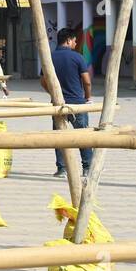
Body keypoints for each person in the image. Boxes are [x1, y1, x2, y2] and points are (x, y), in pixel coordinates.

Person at [45, 27, 92, 178]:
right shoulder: (77, 57)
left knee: (59, 136)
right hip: (77, 103)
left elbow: (42, 81)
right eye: (75, 40)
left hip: (58, 104)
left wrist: (53, 93)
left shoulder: (49, 57)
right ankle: (87, 167)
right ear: (68, 40)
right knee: (82, 135)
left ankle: (61, 169)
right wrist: (88, 97)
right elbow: (87, 81)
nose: (76, 43)